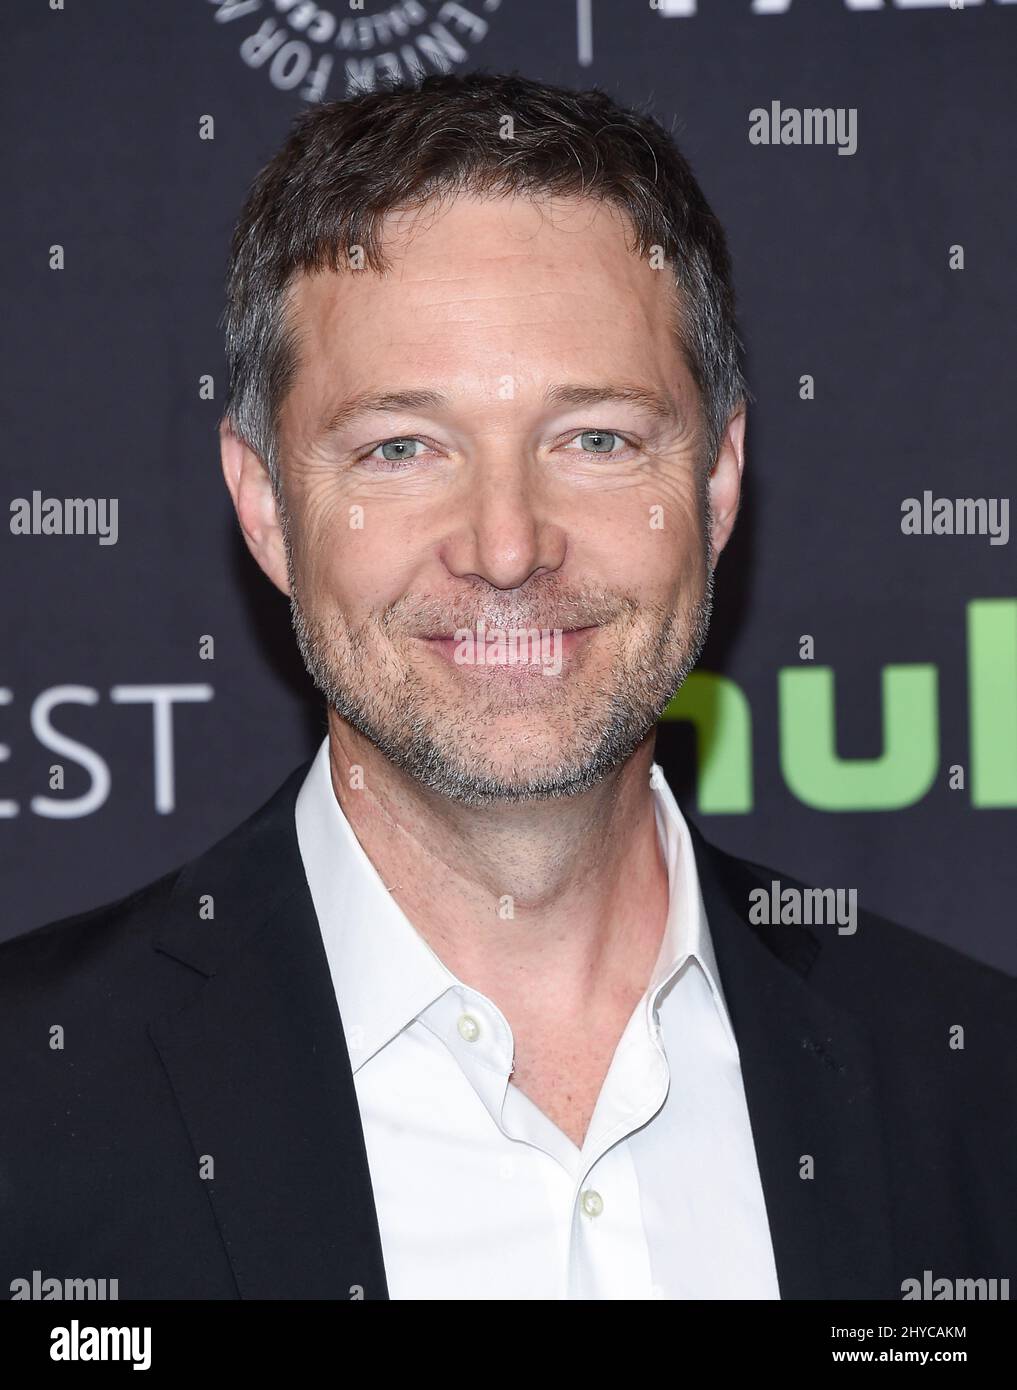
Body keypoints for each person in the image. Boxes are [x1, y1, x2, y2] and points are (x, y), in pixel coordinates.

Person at [2, 71, 1014, 1302]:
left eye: (595, 437)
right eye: (401, 447)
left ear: (717, 479)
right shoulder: (33, 1102)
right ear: (266, 505)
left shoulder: (972, 1090)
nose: (506, 544)